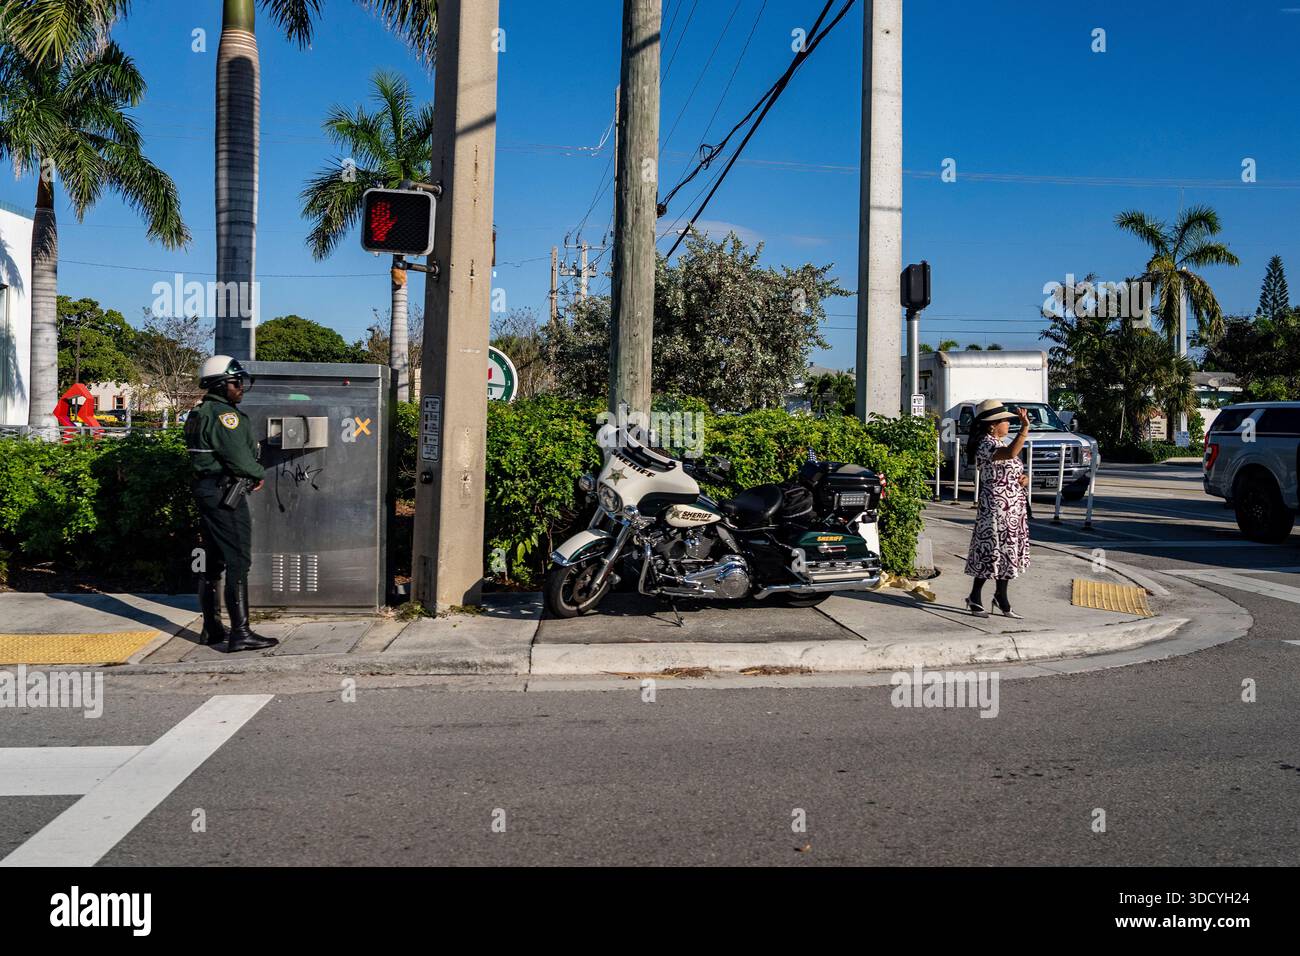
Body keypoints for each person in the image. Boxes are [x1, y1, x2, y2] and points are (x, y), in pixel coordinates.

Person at [185, 356, 278, 653]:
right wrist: (257, 473)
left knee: (212, 560)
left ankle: (212, 628)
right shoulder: (227, 417)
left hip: (206, 491)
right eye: (236, 382)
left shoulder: (199, 412)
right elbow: (239, 458)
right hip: (226, 494)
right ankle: (241, 633)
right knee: (238, 559)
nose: (240, 388)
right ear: (220, 385)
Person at [963, 400, 1032, 618]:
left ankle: (1001, 597)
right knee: (990, 550)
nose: (1008, 425)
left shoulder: (999, 441)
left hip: (1012, 508)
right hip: (995, 508)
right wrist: (1025, 428)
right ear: (993, 424)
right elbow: (1010, 454)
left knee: (1007, 552)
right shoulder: (986, 443)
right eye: (1005, 421)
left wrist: (1024, 479)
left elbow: (1011, 467)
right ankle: (975, 596)